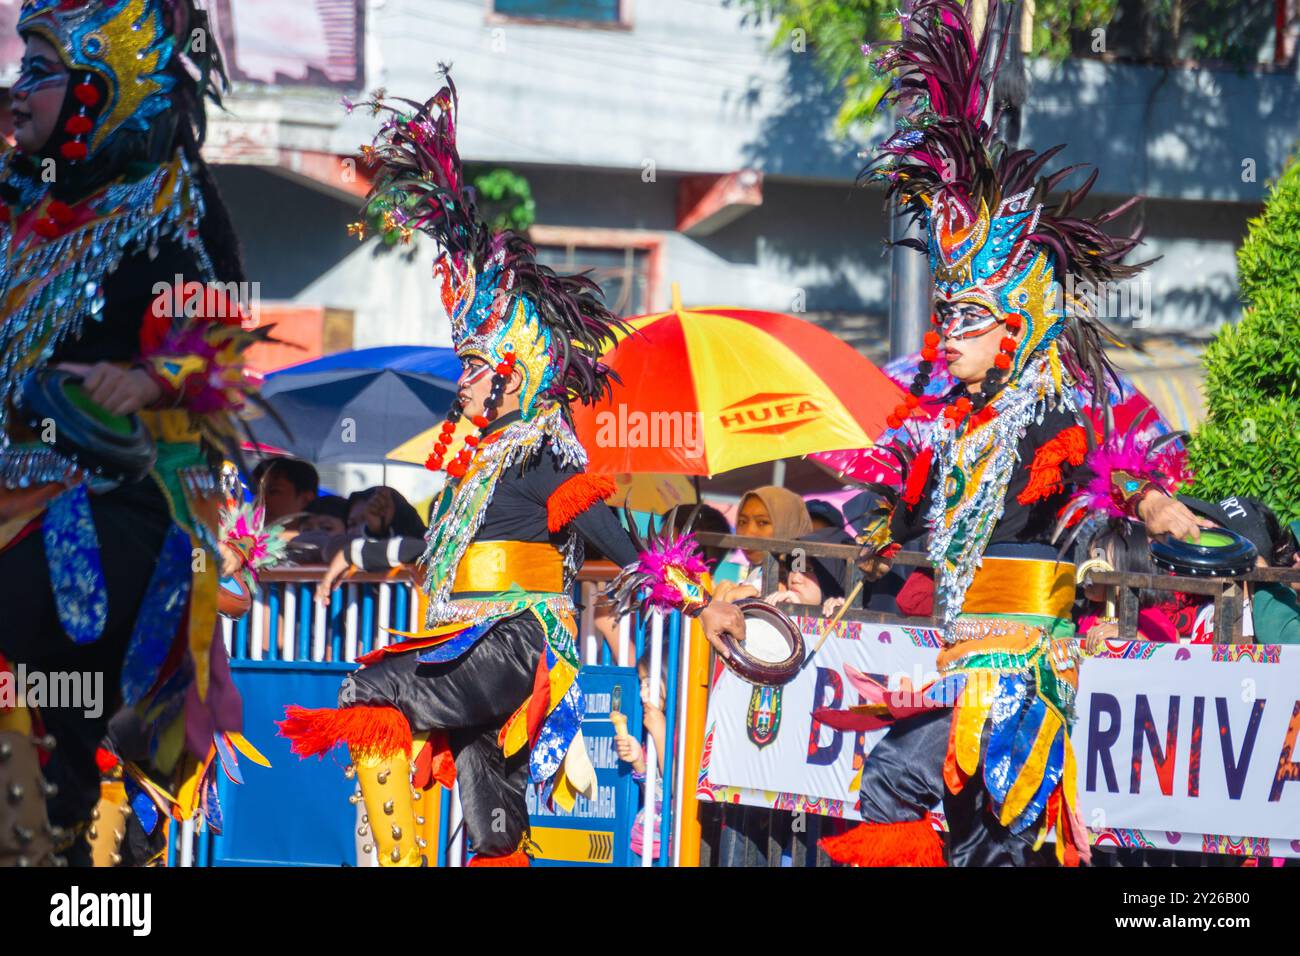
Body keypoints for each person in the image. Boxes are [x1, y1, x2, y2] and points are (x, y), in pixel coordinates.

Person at [698, 0, 1202, 867]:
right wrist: (758, 597)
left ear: (1018, 322)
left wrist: (1156, 503)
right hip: (960, 668)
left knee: (973, 825)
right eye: (945, 311)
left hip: (1023, 681)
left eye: (968, 314)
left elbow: (1112, 478)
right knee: (921, 801)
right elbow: (871, 524)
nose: (947, 328)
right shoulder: (947, 428)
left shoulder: (1061, 410)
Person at [276, 75, 653, 867]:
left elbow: (604, 530)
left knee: (369, 687)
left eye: (476, 366)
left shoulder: (543, 448)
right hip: (469, 639)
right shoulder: (476, 461)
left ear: (514, 371)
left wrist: (695, 594)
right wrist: (364, 554)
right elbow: (435, 553)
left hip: (512, 646)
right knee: (494, 829)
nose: (464, 381)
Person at [0, 0, 263, 867]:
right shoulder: (19, 214)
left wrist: (149, 378)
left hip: (102, 512)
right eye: (19, 69)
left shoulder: (167, 214)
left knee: (36, 680)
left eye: (40, 73)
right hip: (17, 509)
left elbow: (221, 355)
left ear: (97, 88)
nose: (18, 91)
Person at [1178, 495, 1300, 644]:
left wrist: (1262, 577)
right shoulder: (1207, 605)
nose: (1201, 533)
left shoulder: (1268, 609)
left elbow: (1283, 642)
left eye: (1216, 534)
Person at [613, 652, 668, 859]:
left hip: (667, 845)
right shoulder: (650, 730)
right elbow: (655, 793)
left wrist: (661, 734)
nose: (643, 695)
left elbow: (675, 789)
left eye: (649, 685)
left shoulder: (680, 730)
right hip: (641, 843)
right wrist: (638, 761)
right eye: (641, 685)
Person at [734, 486, 813, 588]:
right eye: (742, 522)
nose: (747, 533)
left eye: (762, 522)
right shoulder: (755, 578)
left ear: (788, 525)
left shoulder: (809, 587)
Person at [253, 457, 319, 524]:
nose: (259, 500)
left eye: (273, 491)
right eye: (256, 493)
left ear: (306, 499)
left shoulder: (322, 534)